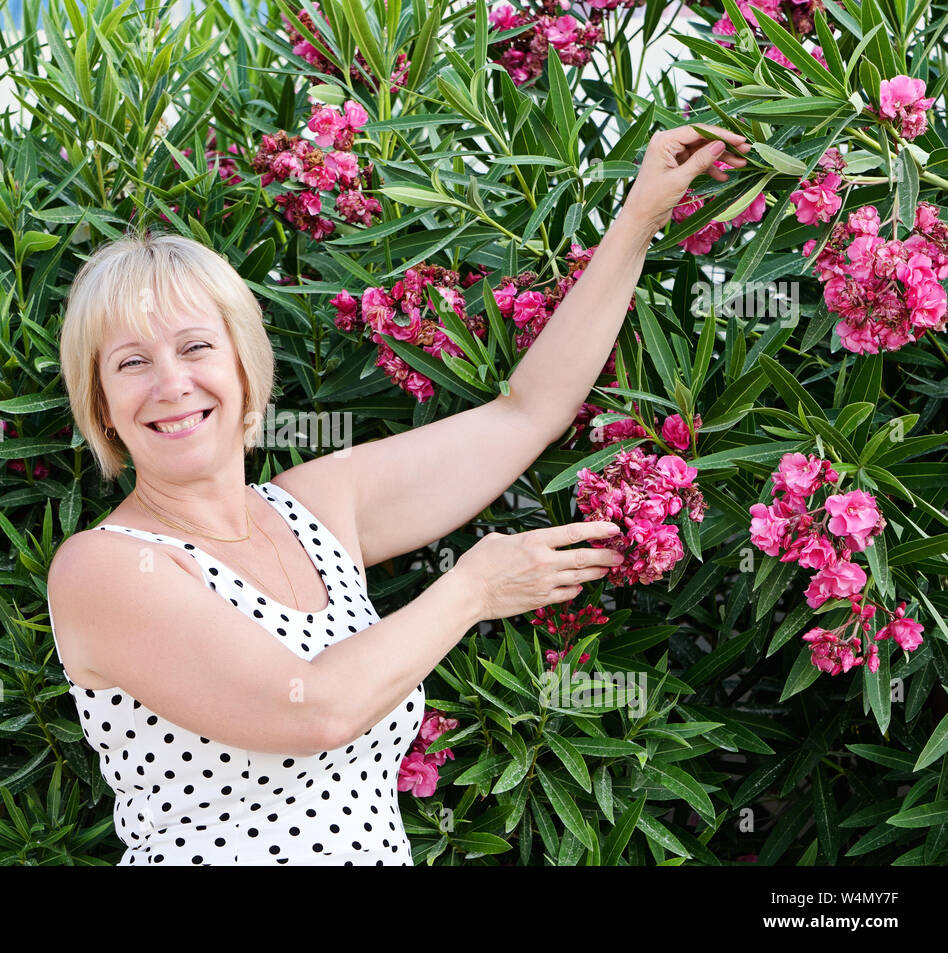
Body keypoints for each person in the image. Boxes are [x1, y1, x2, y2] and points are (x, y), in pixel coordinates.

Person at [47, 123, 751, 864]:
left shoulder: (313, 508)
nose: (171, 384)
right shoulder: (106, 568)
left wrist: (639, 216)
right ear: (99, 403)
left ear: (245, 366)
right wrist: (473, 590)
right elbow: (314, 711)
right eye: (131, 363)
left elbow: (529, 412)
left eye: (195, 347)